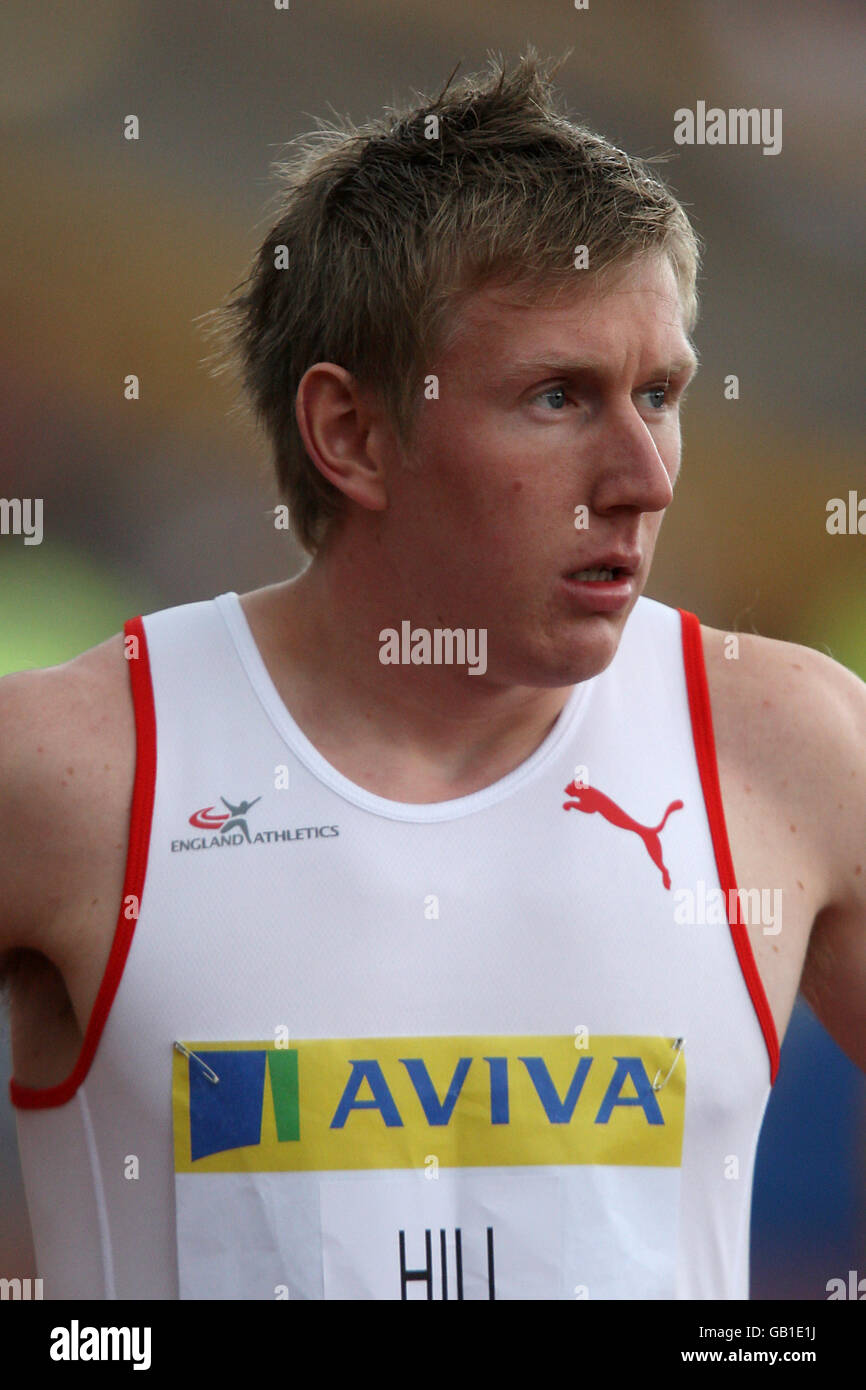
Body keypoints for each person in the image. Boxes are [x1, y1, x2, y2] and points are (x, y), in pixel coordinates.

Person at [1, 49, 864, 1302]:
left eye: (660, 394)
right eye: (560, 396)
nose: (647, 474)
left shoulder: (792, 747)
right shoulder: (75, 772)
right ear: (349, 432)